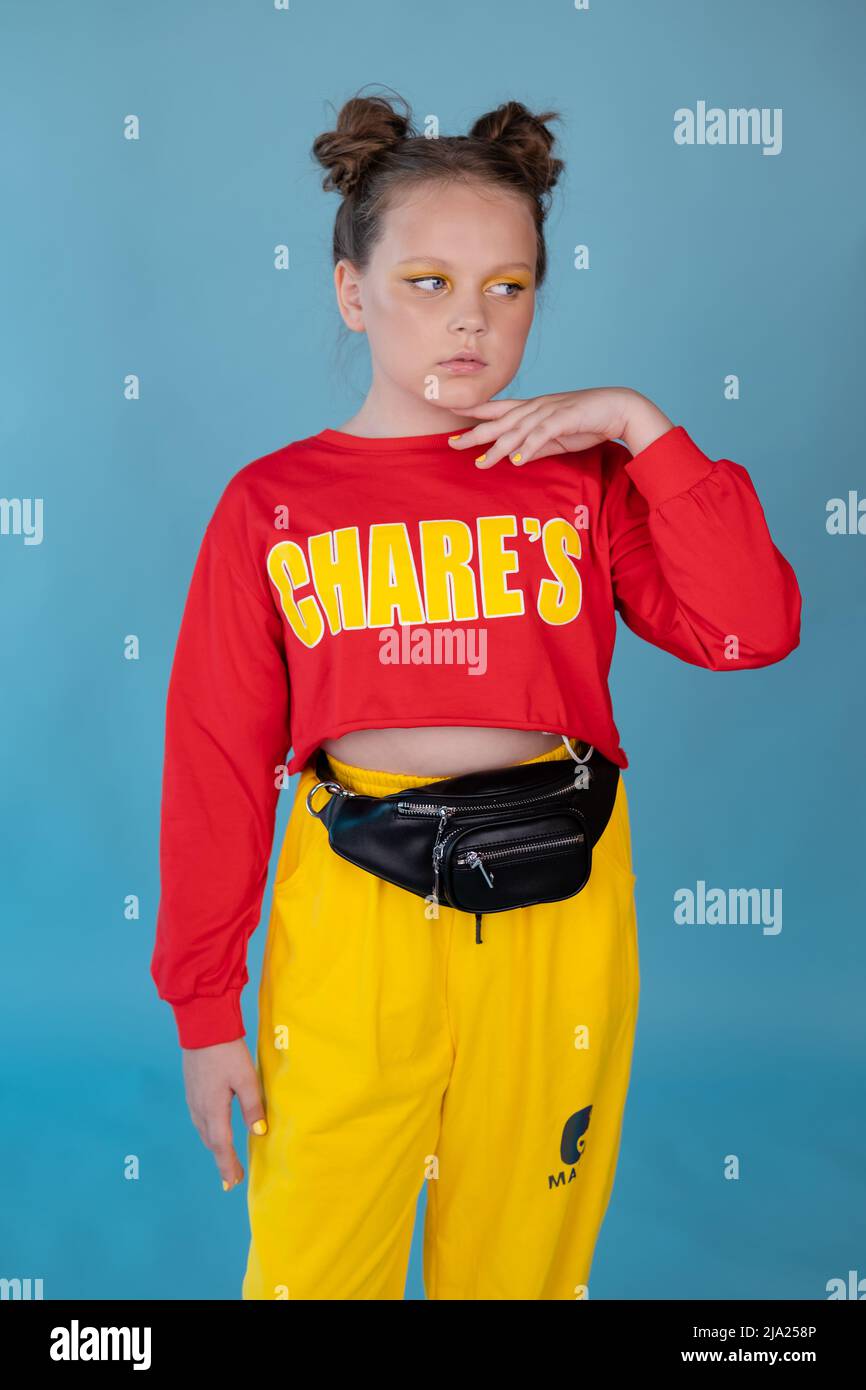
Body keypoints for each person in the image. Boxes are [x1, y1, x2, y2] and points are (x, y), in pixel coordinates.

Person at [150, 90, 802, 1300]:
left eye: (508, 286)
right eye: (427, 283)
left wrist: (635, 426)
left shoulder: (584, 478)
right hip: (353, 909)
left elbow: (749, 630)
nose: (472, 321)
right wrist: (204, 1005)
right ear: (351, 291)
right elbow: (216, 760)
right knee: (316, 1252)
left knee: (518, 1261)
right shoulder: (272, 502)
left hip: (557, 899)